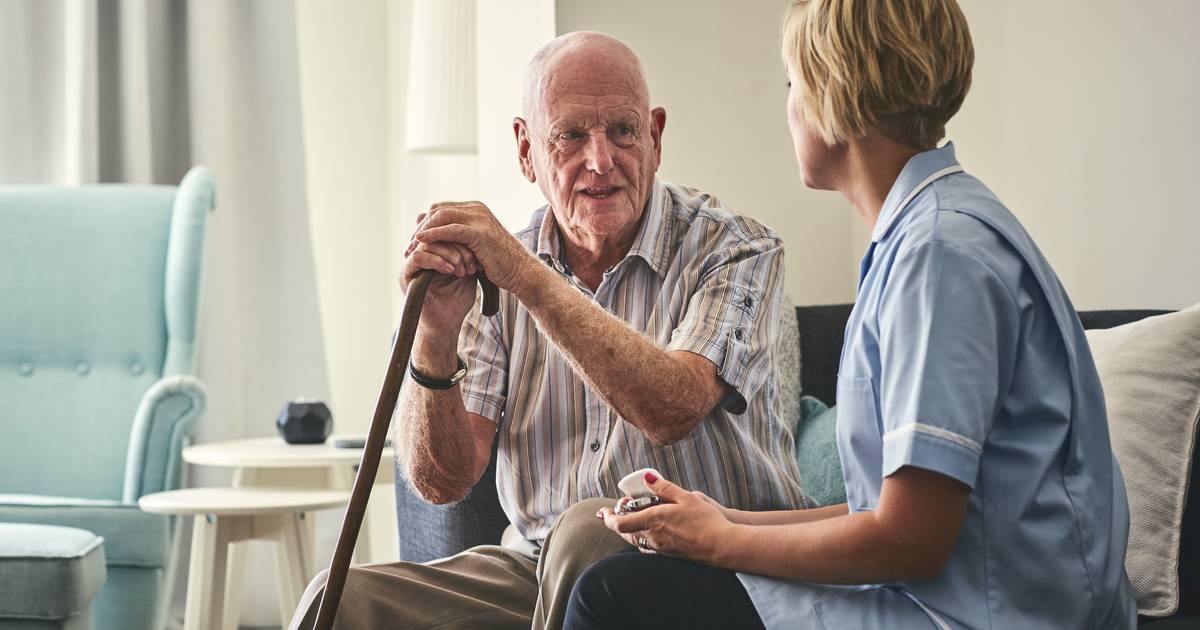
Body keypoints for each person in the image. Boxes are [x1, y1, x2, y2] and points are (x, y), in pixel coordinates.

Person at [565, 1, 1138, 628]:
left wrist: (720, 543)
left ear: (832, 94)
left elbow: (910, 540)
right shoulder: (932, 229)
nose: (788, 107)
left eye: (792, 83)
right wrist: (721, 520)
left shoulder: (937, 257)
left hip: (978, 616)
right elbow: (888, 510)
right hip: (955, 596)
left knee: (613, 595)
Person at [288, 31, 810, 630]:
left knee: (589, 532)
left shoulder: (736, 249)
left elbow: (674, 407)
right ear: (526, 149)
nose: (601, 161)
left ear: (655, 136)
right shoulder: (494, 272)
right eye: (570, 136)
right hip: (536, 570)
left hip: (711, 569)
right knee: (336, 599)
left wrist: (526, 278)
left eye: (623, 130)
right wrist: (434, 336)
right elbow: (443, 482)